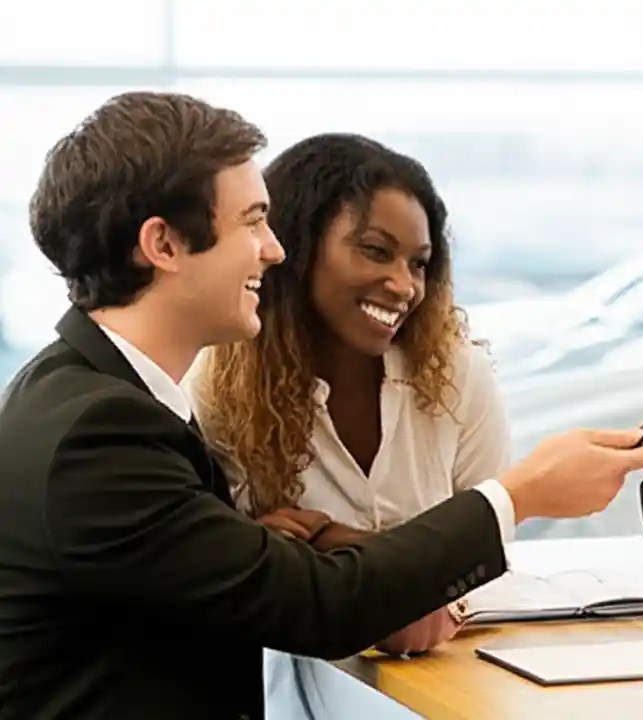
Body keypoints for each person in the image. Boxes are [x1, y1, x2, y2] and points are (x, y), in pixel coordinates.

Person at [0, 91, 643, 720]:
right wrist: (521, 494)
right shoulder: (100, 432)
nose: (274, 250)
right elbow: (321, 607)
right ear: (164, 245)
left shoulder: (98, 395)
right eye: (253, 222)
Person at [182, 132, 510, 656]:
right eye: (376, 251)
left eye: (418, 263)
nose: (404, 286)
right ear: (298, 246)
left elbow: (490, 542)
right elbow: (239, 573)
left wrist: (333, 543)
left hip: (443, 681)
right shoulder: (219, 387)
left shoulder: (459, 373)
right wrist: (423, 564)